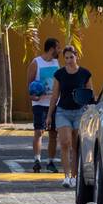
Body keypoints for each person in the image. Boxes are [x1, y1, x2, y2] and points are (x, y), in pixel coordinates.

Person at [46, 45, 93, 188]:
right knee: (65, 143)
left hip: (80, 112)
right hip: (63, 112)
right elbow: (55, 95)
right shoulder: (59, 74)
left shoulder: (85, 73)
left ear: (76, 56)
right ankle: (66, 176)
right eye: (66, 58)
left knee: (76, 146)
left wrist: (90, 111)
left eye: (71, 57)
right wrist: (49, 115)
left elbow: (90, 93)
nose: (69, 60)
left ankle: (74, 176)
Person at [27, 38, 61, 172]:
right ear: (52, 49)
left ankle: (50, 162)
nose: (59, 50)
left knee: (53, 133)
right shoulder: (36, 63)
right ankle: (37, 160)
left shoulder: (56, 62)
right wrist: (33, 96)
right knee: (39, 131)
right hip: (39, 104)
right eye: (58, 48)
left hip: (54, 103)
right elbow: (29, 85)